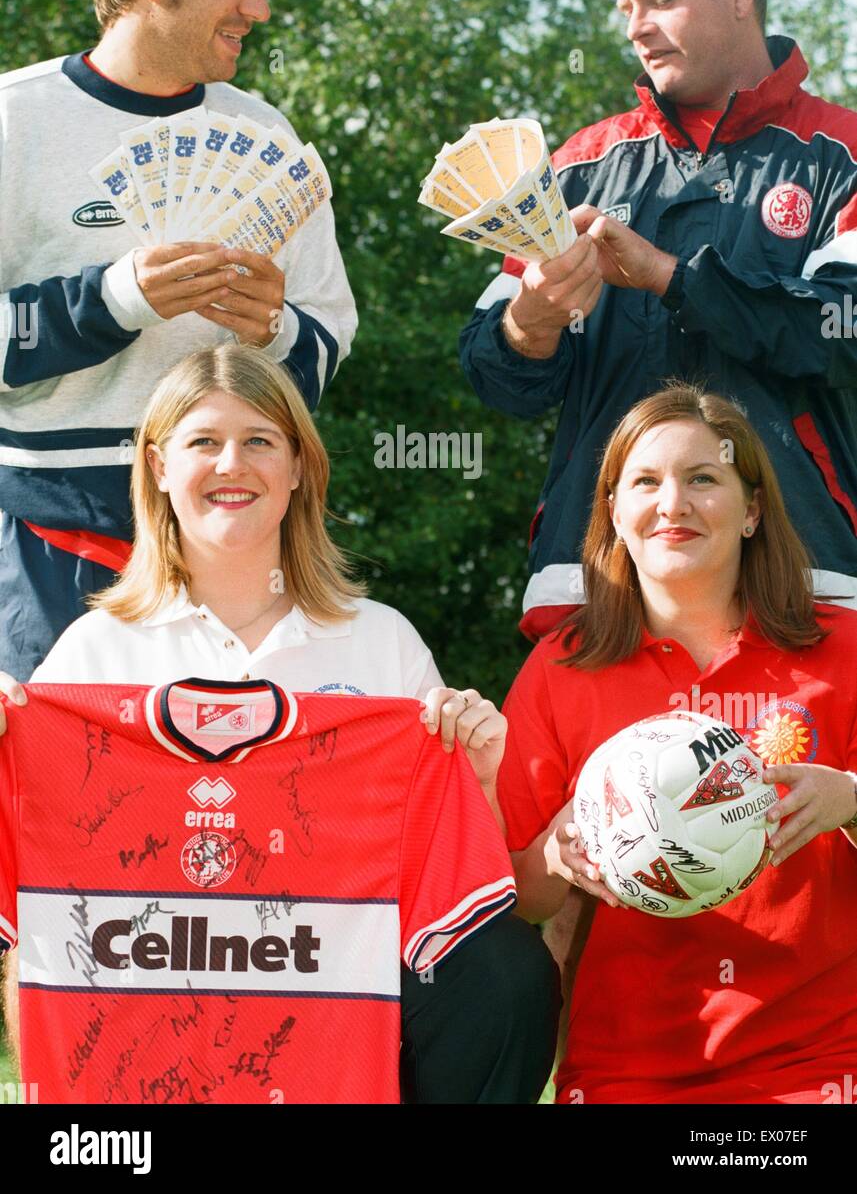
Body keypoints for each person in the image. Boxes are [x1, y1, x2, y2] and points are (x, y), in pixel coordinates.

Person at [0, 343, 559, 1104]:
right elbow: (40, 907)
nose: (232, 464)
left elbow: (458, 873)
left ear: (298, 467)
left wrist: (480, 775)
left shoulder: (379, 638)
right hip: (155, 979)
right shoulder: (96, 650)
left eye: (259, 441)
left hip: (334, 972)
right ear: (159, 467)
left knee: (505, 970)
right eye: (204, 442)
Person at [0, 0, 357, 681]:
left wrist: (275, 330)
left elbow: (330, 340)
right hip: (52, 551)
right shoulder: (16, 122)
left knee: (219, 810)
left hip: (230, 556)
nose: (258, 9)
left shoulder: (268, 138)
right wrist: (115, 299)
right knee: (48, 806)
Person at [460, 0, 857, 641]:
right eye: (626, 8)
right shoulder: (576, 164)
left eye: (662, 0)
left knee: (790, 766)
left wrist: (670, 277)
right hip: (596, 584)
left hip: (804, 579)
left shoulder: (844, 152)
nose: (635, 28)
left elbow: (843, 334)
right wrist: (531, 323)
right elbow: (495, 378)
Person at [494, 382, 857, 1104]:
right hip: (625, 1068)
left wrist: (848, 799)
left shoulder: (840, 651)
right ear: (614, 515)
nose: (672, 504)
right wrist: (556, 858)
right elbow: (519, 899)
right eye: (646, 482)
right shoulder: (561, 669)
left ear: (752, 509)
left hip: (816, 1062)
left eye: (703, 479)